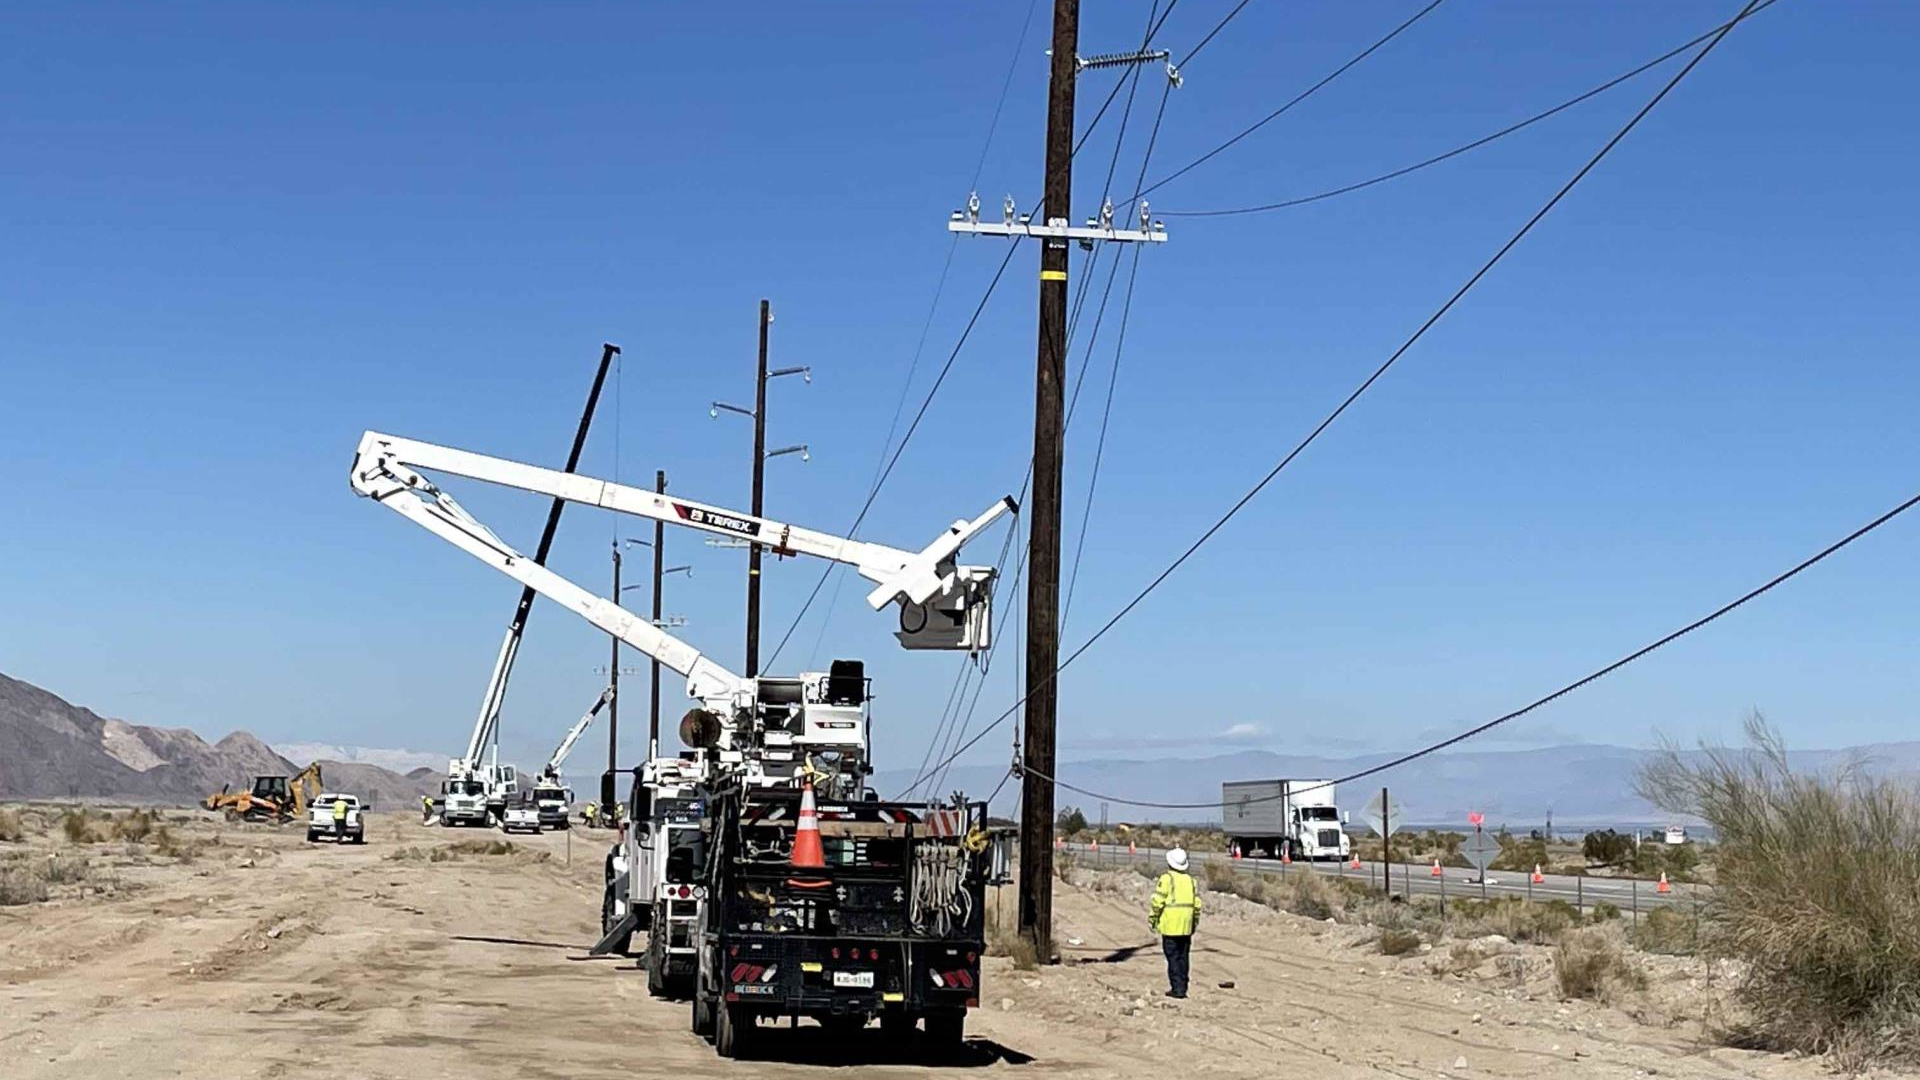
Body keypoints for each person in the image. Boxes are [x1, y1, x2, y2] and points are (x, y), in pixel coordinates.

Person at [1149, 847, 1201, 998]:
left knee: (1173, 957)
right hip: (1186, 926)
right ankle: (1183, 986)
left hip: (1170, 926)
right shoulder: (1191, 881)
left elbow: (1157, 902)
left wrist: (1152, 918)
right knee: (1183, 957)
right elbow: (1197, 904)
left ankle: (1177, 988)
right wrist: (1194, 922)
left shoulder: (1167, 879)